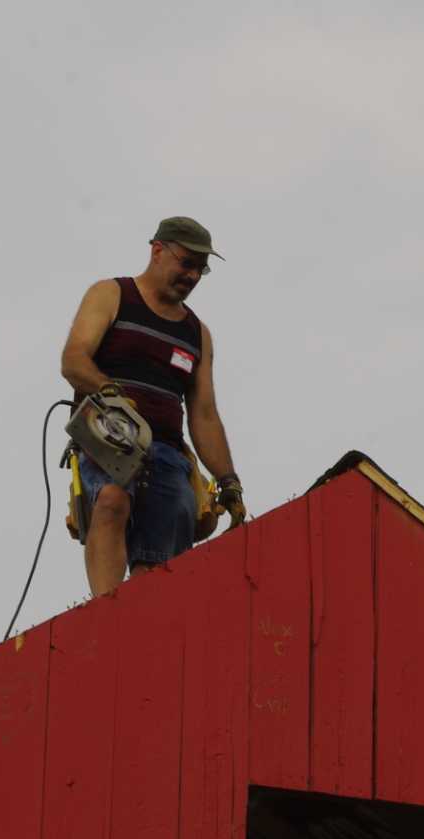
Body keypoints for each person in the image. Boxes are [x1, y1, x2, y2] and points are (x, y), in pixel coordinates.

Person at [60, 215, 247, 596]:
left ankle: (143, 622)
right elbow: (74, 360)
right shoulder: (112, 295)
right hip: (110, 438)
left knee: (157, 569)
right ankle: (107, 612)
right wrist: (108, 391)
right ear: (157, 250)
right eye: (186, 262)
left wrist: (228, 480)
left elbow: (204, 414)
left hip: (168, 455)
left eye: (200, 268)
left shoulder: (196, 334)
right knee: (111, 500)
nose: (192, 275)